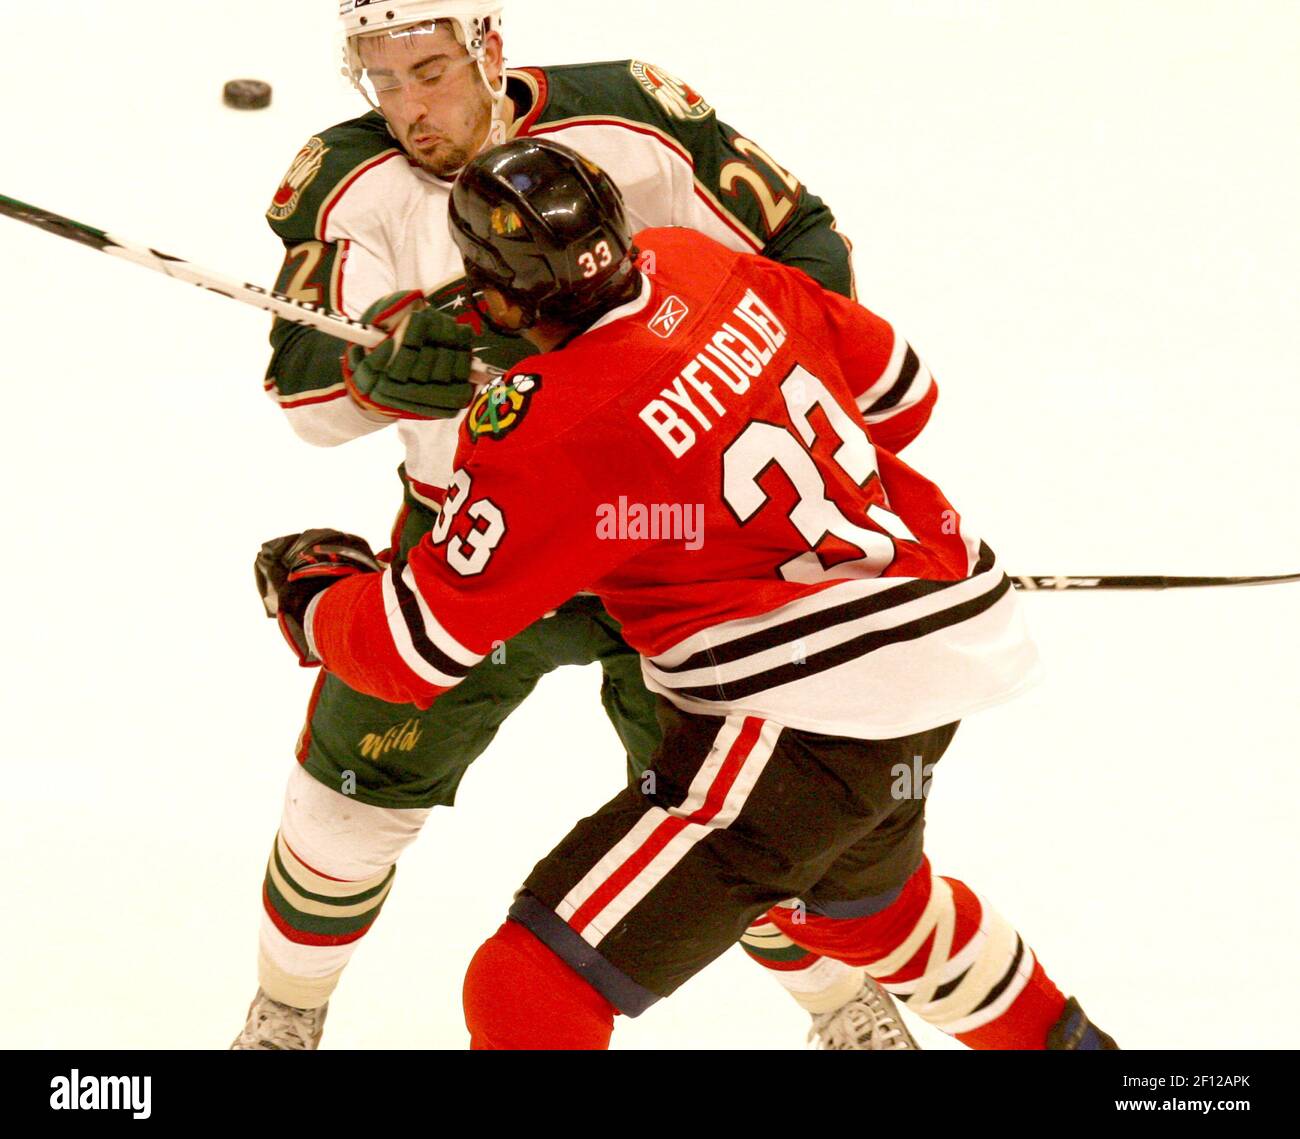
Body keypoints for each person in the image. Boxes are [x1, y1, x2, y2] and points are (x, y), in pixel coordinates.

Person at [255, 137, 1120, 1051]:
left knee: (529, 986)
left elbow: (411, 648)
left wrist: (314, 591)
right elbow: (901, 394)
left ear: (496, 295)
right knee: (871, 913)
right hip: (933, 649)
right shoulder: (697, 257)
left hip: (804, 707)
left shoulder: (545, 426)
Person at [237, 0, 904, 1049]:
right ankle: (287, 1011)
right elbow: (305, 393)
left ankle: (841, 1008)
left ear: (487, 48)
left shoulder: (629, 112)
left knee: (740, 815)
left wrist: (785, 421)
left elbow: (802, 250)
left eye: (430, 70)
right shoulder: (346, 177)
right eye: (381, 78)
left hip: (678, 542)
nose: (409, 108)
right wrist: (379, 375)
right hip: (481, 532)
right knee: (341, 810)